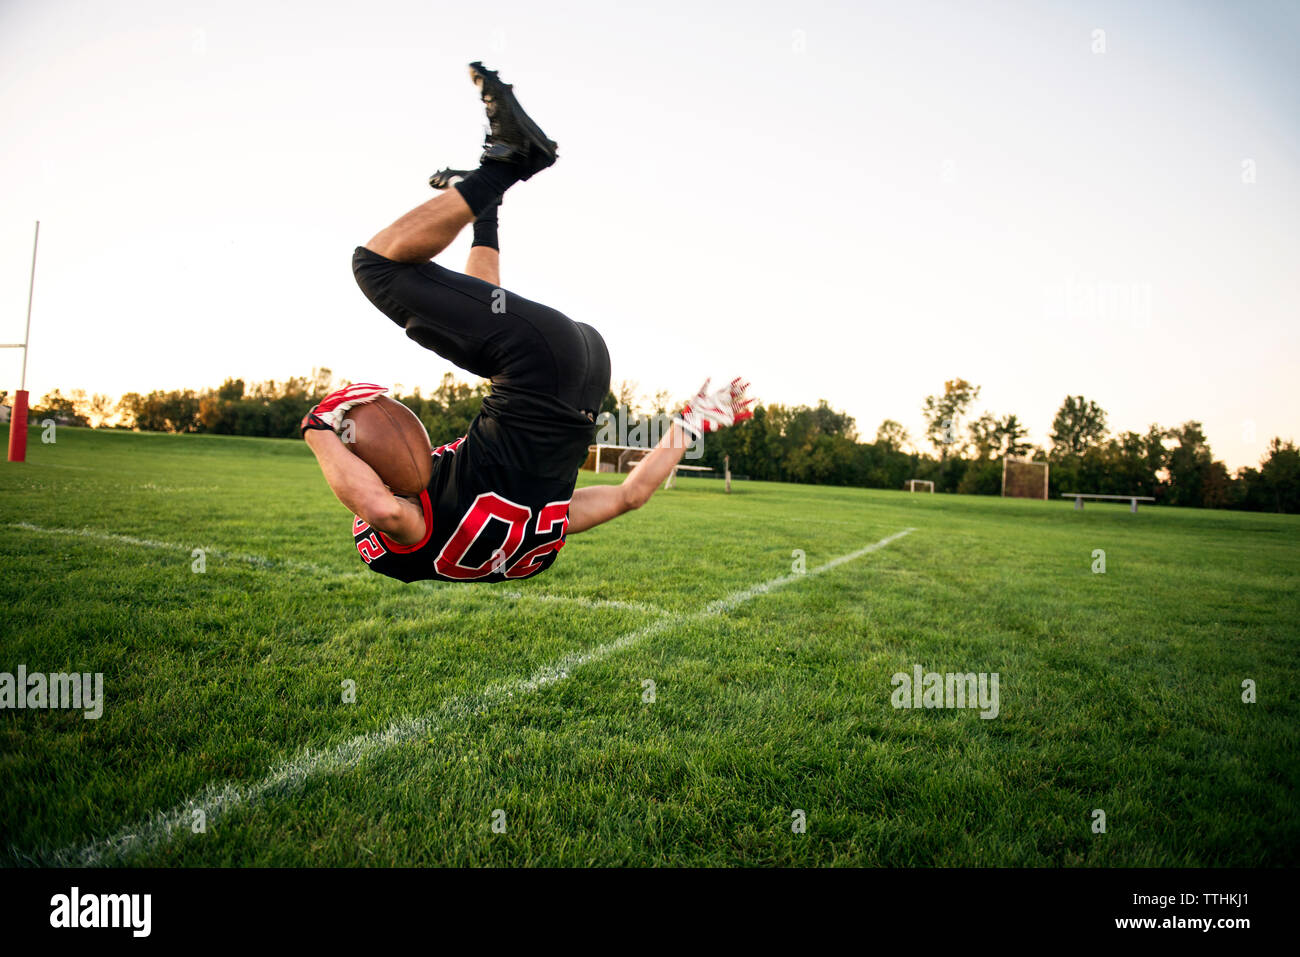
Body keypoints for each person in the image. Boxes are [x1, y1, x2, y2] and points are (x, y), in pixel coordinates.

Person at [302, 63, 752, 583]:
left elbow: (632, 495)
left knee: (481, 315)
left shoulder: (536, 530)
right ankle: (508, 163)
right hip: (536, 364)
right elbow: (381, 512)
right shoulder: (412, 519)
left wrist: (692, 421)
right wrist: (318, 430)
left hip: (584, 364)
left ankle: (483, 208)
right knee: (376, 267)